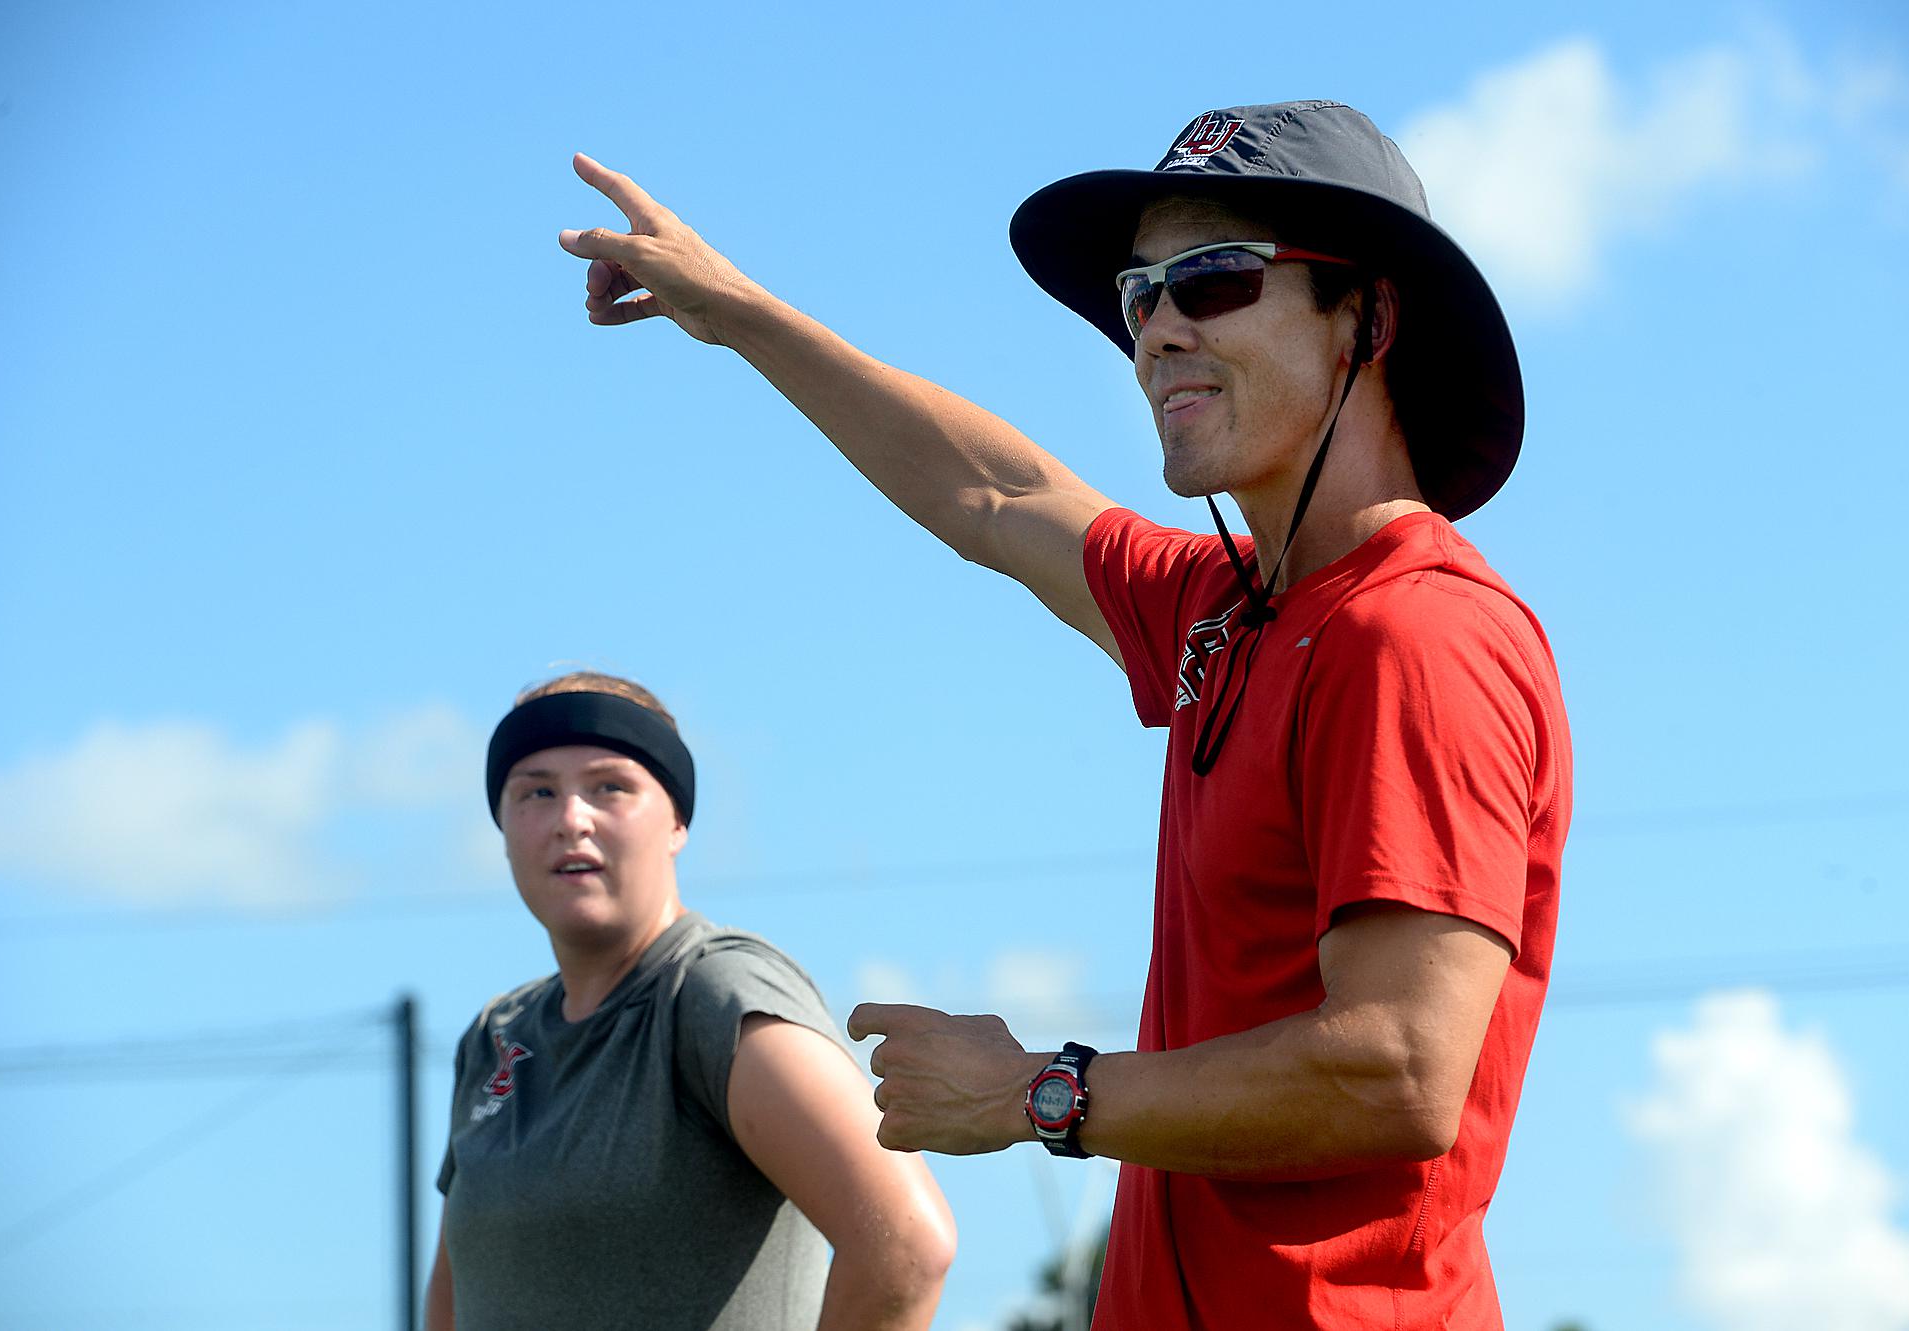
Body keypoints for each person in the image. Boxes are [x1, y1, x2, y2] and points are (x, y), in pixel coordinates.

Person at [557, 100, 1571, 1329]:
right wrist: (731, 311)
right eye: (1140, 295)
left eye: (1213, 278)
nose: (1157, 331)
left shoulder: (1414, 632)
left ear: (1367, 318)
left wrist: (1034, 1091)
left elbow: (1396, 1069)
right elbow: (993, 491)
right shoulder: (1224, 611)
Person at [425, 671, 955, 1331]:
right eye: (537, 791)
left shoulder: (712, 993)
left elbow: (906, 1246)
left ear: (676, 820)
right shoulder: (498, 1036)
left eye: (610, 786)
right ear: (502, 827)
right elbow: (452, 1301)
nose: (571, 819)